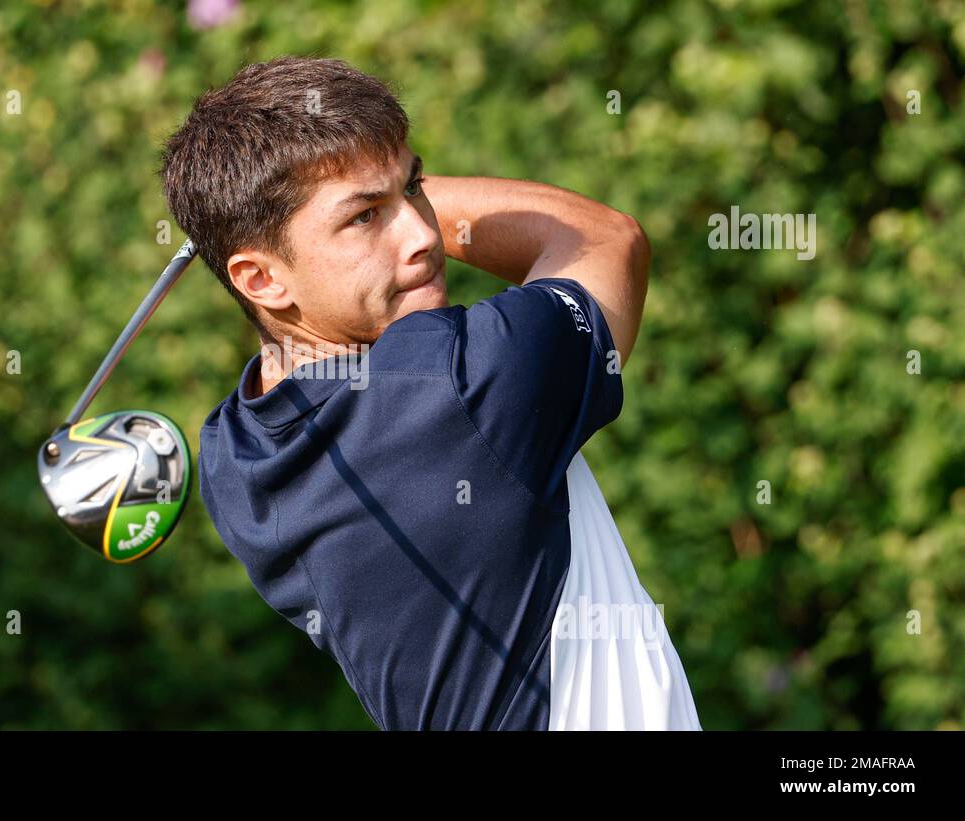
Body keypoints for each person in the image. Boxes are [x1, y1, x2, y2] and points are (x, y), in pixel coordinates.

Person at [158, 55, 701, 730]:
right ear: (262, 279)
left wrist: (349, 170)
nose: (423, 233)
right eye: (363, 218)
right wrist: (382, 169)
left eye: (414, 188)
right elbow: (608, 239)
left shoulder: (233, 453)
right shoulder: (462, 385)